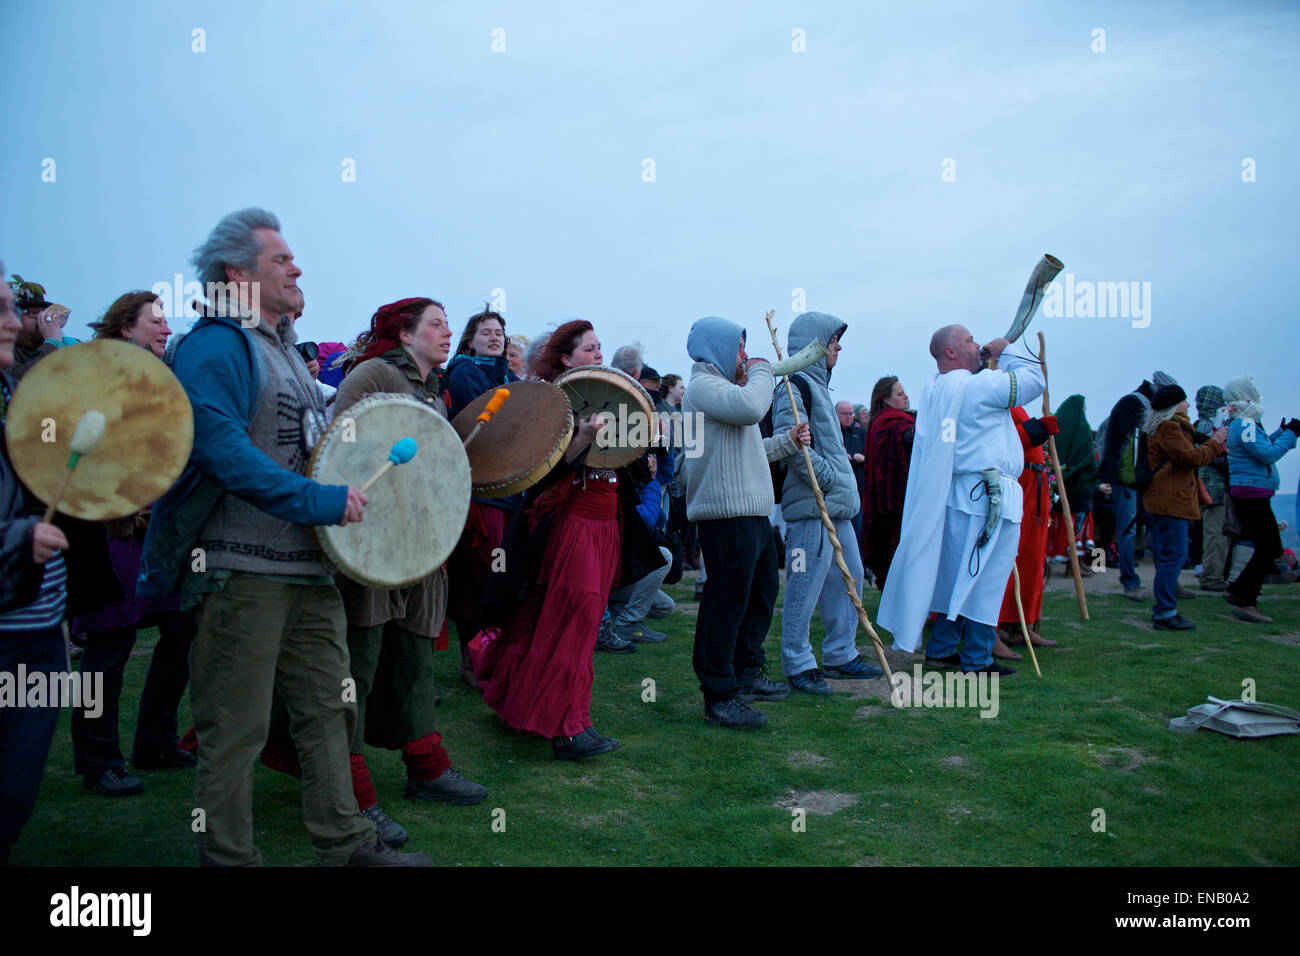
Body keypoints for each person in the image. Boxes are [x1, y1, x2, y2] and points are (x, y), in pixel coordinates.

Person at [138, 207, 429, 865]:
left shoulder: (283, 348)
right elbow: (222, 451)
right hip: (240, 570)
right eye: (281, 259)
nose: (297, 268)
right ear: (238, 274)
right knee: (234, 729)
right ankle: (228, 858)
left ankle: (348, 842)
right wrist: (317, 500)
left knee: (329, 713)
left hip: (307, 570)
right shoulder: (216, 345)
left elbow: (310, 448)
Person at [329, 297, 487, 846]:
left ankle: (426, 768)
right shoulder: (372, 374)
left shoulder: (432, 388)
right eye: (437, 324)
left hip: (421, 545)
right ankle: (349, 790)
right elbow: (337, 444)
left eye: (448, 325)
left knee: (415, 656)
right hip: (371, 544)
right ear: (404, 334)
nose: (448, 333)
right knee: (360, 663)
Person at [478, 321, 665, 758]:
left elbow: (630, 468)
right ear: (566, 358)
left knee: (566, 620)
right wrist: (582, 434)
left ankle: (525, 707)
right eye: (589, 349)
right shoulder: (554, 406)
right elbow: (542, 473)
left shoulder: (612, 401)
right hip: (574, 527)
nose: (598, 356)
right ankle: (567, 728)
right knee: (571, 624)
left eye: (600, 349)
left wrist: (644, 445)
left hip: (606, 527)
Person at [70, 291, 197, 798]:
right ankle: (98, 760)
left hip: (160, 532)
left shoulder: (160, 378)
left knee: (181, 631)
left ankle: (156, 741)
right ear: (126, 327)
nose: (166, 330)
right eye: (156, 321)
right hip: (113, 532)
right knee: (109, 645)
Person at [877, 326, 1045, 676]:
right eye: (970, 340)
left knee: (956, 577)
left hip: (964, 495)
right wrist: (1008, 350)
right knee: (985, 579)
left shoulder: (936, 388)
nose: (978, 344)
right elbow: (1032, 382)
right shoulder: (975, 386)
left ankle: (942, 649)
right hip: (986, 497)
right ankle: (977, 658)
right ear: (951, 352)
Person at [680, 316, 808, 728]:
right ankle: (719, 694)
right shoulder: (704, 386)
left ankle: (747, 672)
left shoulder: (725, 392)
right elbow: (755, 405)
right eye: (739, 347)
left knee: (760, 595)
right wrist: (762, 368)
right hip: (726, 514)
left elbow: (749, 450)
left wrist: (787, 441)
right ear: (718, 347)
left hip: (749, 512)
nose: (744, 356)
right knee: (726, 605)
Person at [0, 260, 73, 864]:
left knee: (14, 794)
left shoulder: (7, 391)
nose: (12, 322)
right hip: (8, 626)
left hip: (37, 621)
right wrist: (15, 541)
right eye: (2, 311)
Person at [774, 313, 881, 694]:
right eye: (833, 340)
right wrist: (830, 478)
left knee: (849, 575)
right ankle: (798, 661)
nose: (839, 347)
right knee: (804, 584)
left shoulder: (820, 387)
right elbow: (795, 446)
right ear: (816, 344)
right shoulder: (793, 385)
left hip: (836, 508)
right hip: (810, 507)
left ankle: (840, 653)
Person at [444, 307, 526, 681]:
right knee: (478, 574)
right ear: (469, 340)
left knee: (500, 573)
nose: (495, 338)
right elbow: (495, 427)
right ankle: (471, 657)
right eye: (486, 333)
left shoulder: (507, 375)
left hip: (506, 491)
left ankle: (492, 655)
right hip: (480, 491)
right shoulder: (464, 372)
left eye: (499, 333)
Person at [1141, 383, 1227, 630]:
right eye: (1184, 400)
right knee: (1174, 555)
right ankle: (1165, 612)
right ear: (1174, 405)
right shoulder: (1169, 428)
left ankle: (1165, 609)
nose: (1188, 404)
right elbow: (1191, 458)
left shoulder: (1163, 427)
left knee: (1169, 555)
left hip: (1165, 500)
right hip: (1171, 501)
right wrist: (1215, 442)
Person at [1222, 375, 1299, 624]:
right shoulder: (1244, 424)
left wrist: (1282, 432)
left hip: (1250, 490)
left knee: (1269, 547)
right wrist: (1291, 436)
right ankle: (1245, 599)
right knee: (1268, 548)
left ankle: (1239, 591)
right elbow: (1267, 454)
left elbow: (1260, 447)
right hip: (1251, 492)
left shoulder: (1242, 423)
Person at [995, 407, 1059, 653]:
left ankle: (1020, 624)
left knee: (1031, 559)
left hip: (1034, 483)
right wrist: (1037, 430)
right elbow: (1002, 442)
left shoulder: (1016, 402)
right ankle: (996, 626)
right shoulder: (995, 394)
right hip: (1020, 482)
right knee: (1011, 556)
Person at [1099, 379, 1156, 601]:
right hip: (1119, 484)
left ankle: (1100, 567)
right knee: (1106, 532)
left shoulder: (1129, 406)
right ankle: (1103, 569)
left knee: (1103, 532)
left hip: (1110, 488)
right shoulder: (1133, 406)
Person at [861, 375, 914, 589]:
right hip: (893, 504)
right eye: (900, 394)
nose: (906, 397)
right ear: (885, 399)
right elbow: (910, 436)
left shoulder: (888, 421)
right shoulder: (889, 422)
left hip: (888, 503)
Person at [1193, 386, 1230, 591]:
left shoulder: (1198, 425)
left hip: (1202, 485)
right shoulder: (1212, 427)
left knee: (1210, 533)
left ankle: (1211, 574)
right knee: (1216, 534)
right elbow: (1214, 455)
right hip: (1214, 487)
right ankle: (1211, 577)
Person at [1054, 394, 1097, 574]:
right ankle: (1075, 564)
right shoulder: (1081, 428)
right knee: (1078, 527)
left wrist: (1062, 472)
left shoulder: (1058, 426)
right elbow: (1088, 458)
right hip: (1079, 487)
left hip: (1060, 485)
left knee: (1064, 527)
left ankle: (1075, 563)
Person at [8, 276, 68, 382]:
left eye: (43, 312)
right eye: (33, 312)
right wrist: (52, 343)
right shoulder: (5, 352)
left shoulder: (66, 344)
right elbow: (19, 382)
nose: (41, 318)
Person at [837, 399, 868, 540]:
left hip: (859, 489)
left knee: (859, 532)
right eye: (845, 414)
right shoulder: (833, 434)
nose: (849, 416)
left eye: (851, 413)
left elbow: (870, 452)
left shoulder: (860, 432)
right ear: (836, 414)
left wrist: (862, 457)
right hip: (839, 490)